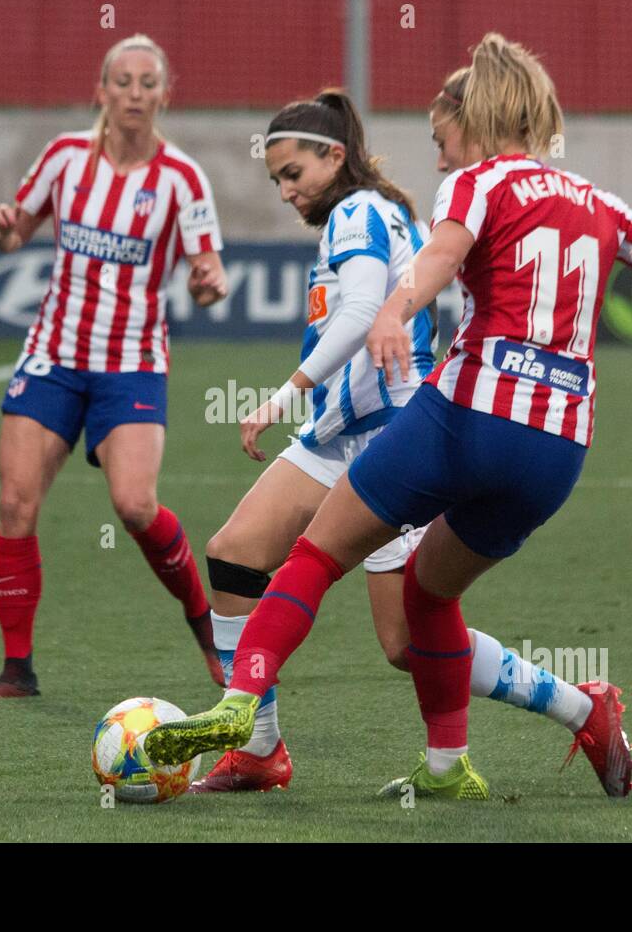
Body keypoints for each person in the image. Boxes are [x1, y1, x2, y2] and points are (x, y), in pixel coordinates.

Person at [146, 32, 632, 799]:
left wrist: (397, 310)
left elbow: (433, 261)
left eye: (440, 139)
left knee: (316, 558)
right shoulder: (597, 200)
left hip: (466, 418)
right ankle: (448, 769)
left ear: (481, 114)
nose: (437, 157)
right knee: (429, 600)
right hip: (557, 451)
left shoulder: (478, 182)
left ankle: (239, 707)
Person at [0, 34, 229, 699]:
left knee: (136, 505)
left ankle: (205, 624)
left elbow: (205, 271)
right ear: (100, 91)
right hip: (53, 355)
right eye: (123, 81)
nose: (135, 93)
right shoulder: (61, 158)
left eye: (148, 83)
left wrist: (206, 284)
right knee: (15, 501)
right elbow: (15, 233)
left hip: (132, 362)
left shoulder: (182, 178)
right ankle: (16, 669)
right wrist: (0, 230)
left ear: (166, 95)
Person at [191, 88, 434, 791]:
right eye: (276, 181)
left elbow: (361, 310)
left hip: (389, 443)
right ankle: (262, 751)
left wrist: (283, 394)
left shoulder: (358, 212)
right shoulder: (373, 214)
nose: (286, 192)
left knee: (407, 646)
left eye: (293, 174)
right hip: (337, 437)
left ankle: (579, 705)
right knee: (235, 555)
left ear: (335, 156)